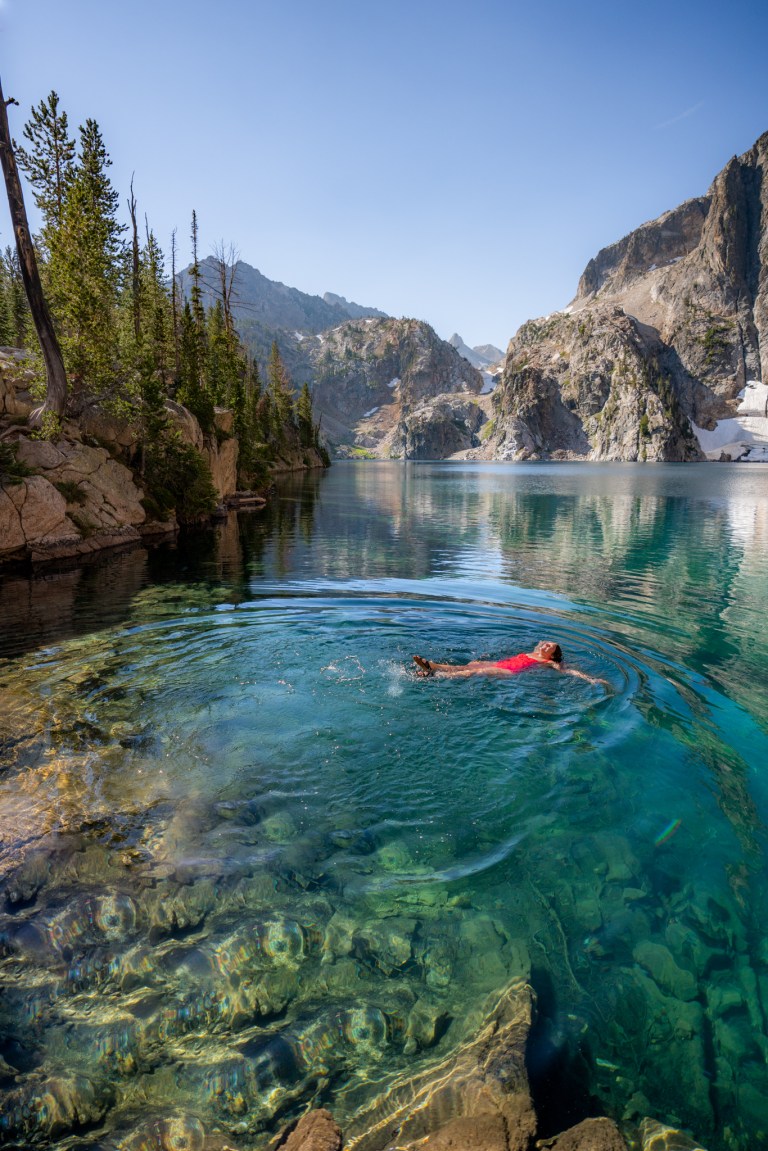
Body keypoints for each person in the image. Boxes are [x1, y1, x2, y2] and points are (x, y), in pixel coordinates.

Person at [412, 641, 607, 684]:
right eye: (547, 642)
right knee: (471, 664)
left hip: (510, 672)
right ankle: (433, 666)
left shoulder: (549, 662)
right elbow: (539, 645)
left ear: (552, 655)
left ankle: (438, 675)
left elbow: (567, 670)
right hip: (501, 663)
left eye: (550, 646)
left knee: (476, 672)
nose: (546, 644)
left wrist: (591, 679)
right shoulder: (534, 651)